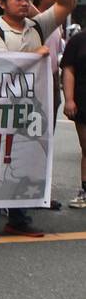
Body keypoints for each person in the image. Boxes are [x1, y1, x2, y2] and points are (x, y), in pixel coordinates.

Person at [0, 0, 77, 238]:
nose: (24, 4)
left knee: (26, 163)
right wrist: (36, 54)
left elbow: (67, 3)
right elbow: (2, 68)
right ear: (2, 2)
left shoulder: (37, 26)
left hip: (30, 110)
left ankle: (19, 217)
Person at [62, 15, 86, 208]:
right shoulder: (78, 40)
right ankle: (85, 191)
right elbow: (68, 70)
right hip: (83, 100)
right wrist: (69, 100)